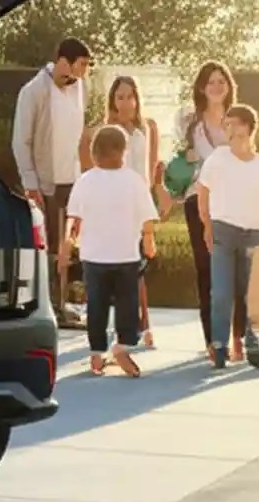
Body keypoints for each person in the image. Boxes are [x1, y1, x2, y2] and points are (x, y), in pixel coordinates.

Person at [196, 104, 259, 371]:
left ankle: (253, 346)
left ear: (250, 127)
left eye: (235, 124)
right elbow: (203, 194)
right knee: (222, 293)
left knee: (254, 295)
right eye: (226, 125)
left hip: (255, 236)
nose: (230, 130)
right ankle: (218, 346)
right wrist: (207, 225)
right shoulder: (218, 158)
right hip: (223, 232)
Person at [81, 76, 174, 347]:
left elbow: (155, 164)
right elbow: (91, 160)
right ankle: (123, 326)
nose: (125, 102)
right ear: (113, 101)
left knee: (139, 265)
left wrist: (160, 191)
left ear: (137, 99)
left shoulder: (148, 127)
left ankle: (143, 323)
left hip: (139, 200)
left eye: (129, 96)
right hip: (112, 203)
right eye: (119, 97)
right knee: (118, 266)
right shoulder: (106, 130)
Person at [65, 125, 158, 377]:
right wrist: (149, 240)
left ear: (94, 153)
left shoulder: (85, 181)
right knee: (128, 306)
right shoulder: (134, 180)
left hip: (94, 257)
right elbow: (147, 216)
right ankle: (122, 346)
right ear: (124, 152)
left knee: (97, 306)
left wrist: (67, 243)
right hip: (125, 256)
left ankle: (97, 353)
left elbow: (73, 218)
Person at [11, 37, 93, 328]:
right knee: (48, 247)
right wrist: (30, 182)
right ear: (64, 60)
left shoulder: (80, 87)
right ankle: (48, 308)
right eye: (82, 64)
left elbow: (79, 136)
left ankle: (62, 305)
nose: (85, 70)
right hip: (46, 182)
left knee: (67, 246)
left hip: (72, 179)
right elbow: (21, 141)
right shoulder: (33, 92)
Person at [176, 60, 247, 361]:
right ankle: (213, 340)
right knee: (206, 271)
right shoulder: (189, 121)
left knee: (238, 272)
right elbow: (184, 161)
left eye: (222, 81)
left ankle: (238, 337)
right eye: (211, 82)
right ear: (202, 88)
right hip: (199, 203)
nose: (217, 87)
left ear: (229, 86)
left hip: (234, 204)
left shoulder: (239, 120)